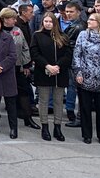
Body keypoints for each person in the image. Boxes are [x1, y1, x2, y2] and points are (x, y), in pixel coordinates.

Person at [73, 12, 100, 145]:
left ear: (99, 22)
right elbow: (77, 54)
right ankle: (87, 135)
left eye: (92, 20)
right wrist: (78, 72)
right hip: (85, 75)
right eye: (89, 19)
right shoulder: (83, 35)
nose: (88, 21)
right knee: (85, 107)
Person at [30, 12, 71, 142]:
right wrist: (47, 66)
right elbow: (35, 53)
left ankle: (57, 127)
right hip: (43, 72)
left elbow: (68, 55)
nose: (48, 24)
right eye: (45, 21)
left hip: (60, 73)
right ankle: (45, 126)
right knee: (43, 101)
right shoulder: (37, 36)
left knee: (58, 101)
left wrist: (58, 66)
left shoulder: (63, 37)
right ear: (42, 22)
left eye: (50, 22)